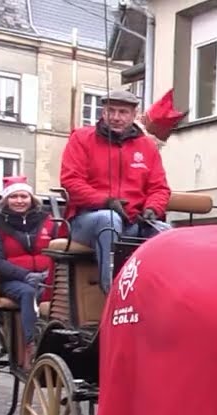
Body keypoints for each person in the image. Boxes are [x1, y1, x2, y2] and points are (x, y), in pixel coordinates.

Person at [60, 89, 171, 294]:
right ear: (103, 112)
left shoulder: (147, 146)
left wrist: (152, 209)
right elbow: (71, 181)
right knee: (109, 219)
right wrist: (106, 201)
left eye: (122, 112)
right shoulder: (82, 138)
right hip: (87, 220)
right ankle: (113, 293)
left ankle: (159, 296)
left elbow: (159, 188)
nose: (116, 117)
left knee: (165, 233)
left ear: (133, 115)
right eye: (111, 111)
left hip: (133, 221)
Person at [0, 176, 63, 368]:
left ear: (31, 199)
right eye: (14, 196)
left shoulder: (49, 222)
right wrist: (25, 275)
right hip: (12, 280)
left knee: (63, 296)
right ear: (6, 200)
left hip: (45, 277)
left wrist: (47, 273)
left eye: (24, 196)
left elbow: (60, 250)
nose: (19, 200)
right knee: (28, 293)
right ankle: (31, 344)